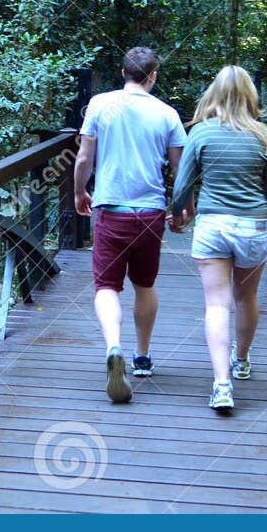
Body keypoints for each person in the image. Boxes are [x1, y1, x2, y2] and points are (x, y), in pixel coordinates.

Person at [168, 64, 267, 414]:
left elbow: (183, 183)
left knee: (215, 304)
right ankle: (241, 360)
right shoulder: (264, 136)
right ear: (250, 95)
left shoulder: (201, 133)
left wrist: (179, 213)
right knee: (246, 297)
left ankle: (221, 385)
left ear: (214, 93)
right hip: (253, 227)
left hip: (212, 226)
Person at [72, 47, 187, 403]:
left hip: (110, 210)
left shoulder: (99, 105)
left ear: (124, 72)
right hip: (149, 214)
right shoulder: (167, 114)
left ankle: (113, 346)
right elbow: (179, 170)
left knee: (106, 286)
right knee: (145, 284)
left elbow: (84, 157)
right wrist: (181, 208)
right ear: (152, 76)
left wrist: (79, 192)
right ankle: (141, 356)